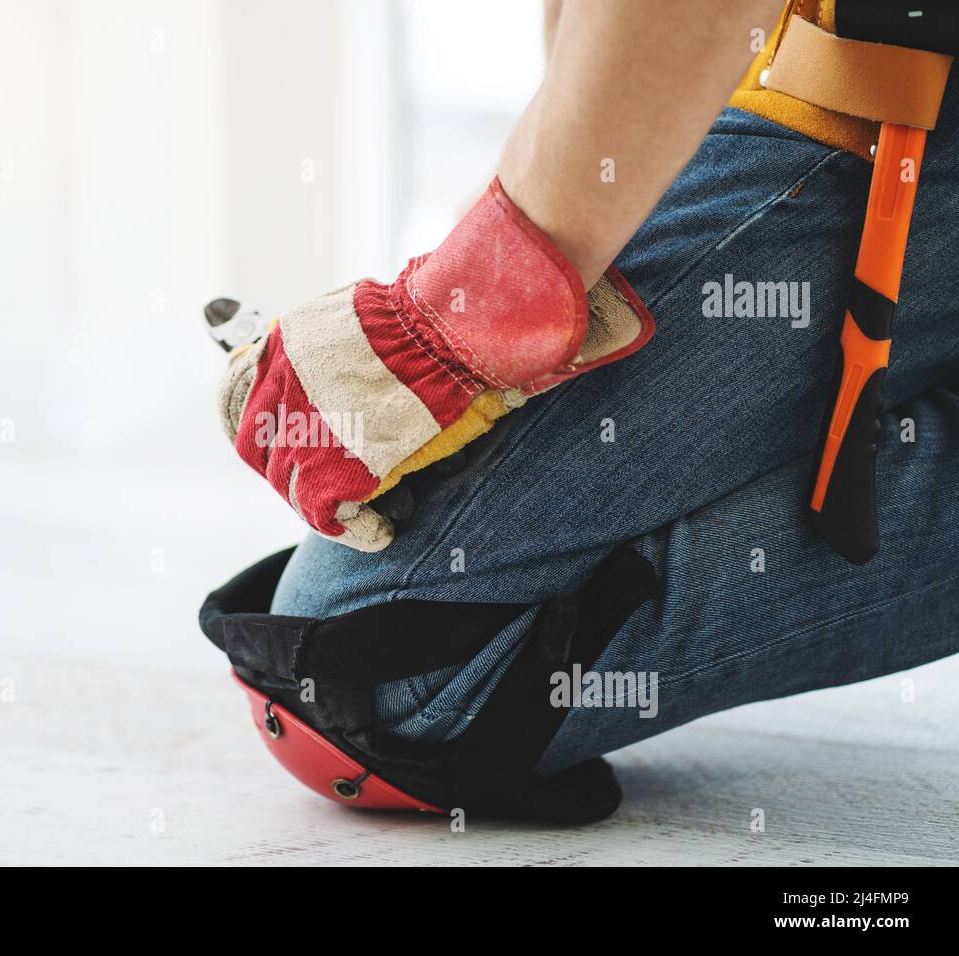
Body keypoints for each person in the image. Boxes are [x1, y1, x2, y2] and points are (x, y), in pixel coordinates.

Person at [201, 0, 959, 819]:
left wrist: (461, 321)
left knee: (389, 679)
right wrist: (535, 198)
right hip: (785, 71)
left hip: (900, 113)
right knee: (355, 661)